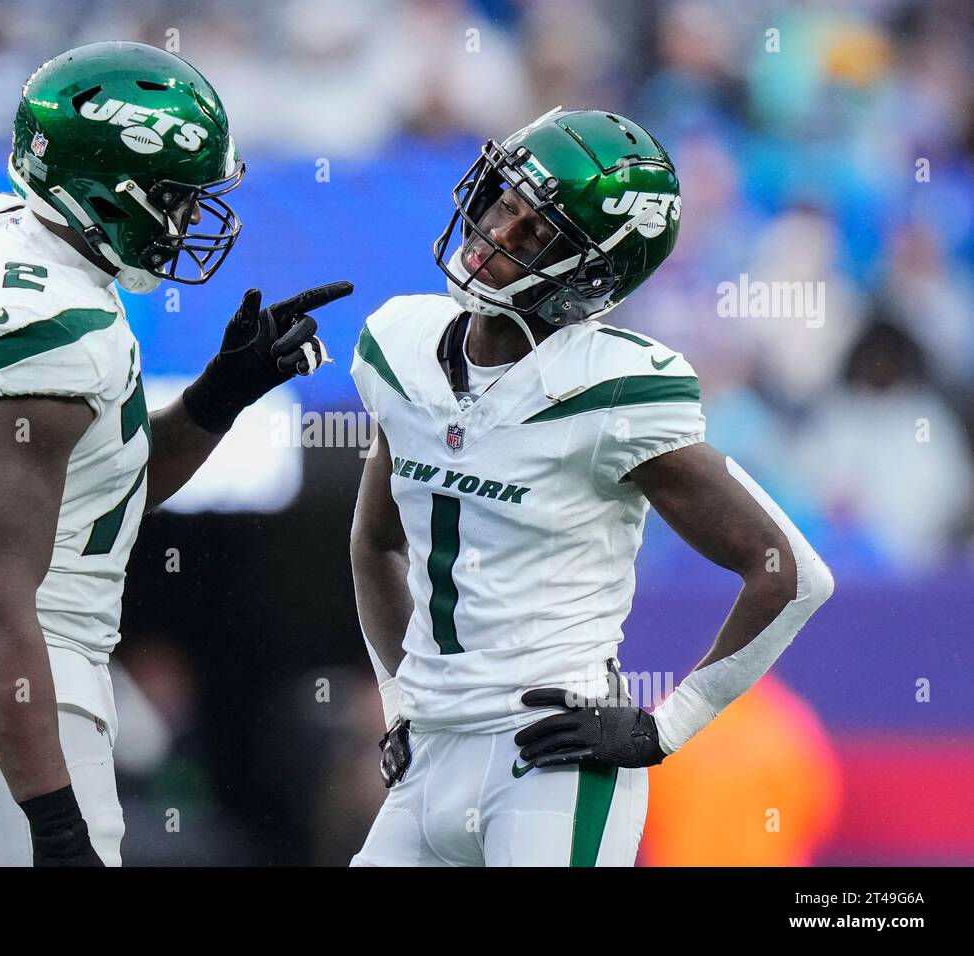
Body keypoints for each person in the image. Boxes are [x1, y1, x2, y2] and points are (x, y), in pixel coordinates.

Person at [0, 41, 351, 866]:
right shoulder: (47, 330)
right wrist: (54, 823)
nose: (188, 221)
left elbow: (91, 495)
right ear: (109, 190)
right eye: (175, 198)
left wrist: (219, 395)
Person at [348, 107, 833, 866]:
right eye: (505, 202)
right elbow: (377, 543)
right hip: (429, 754)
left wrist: (663, 729)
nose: (499, 232)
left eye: (537, 231)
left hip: (549, 762)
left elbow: (792, 574)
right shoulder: (399, 345)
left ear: (592, 275)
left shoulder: (614, 390)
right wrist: (400, 699)